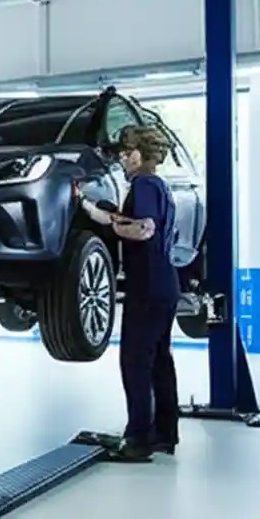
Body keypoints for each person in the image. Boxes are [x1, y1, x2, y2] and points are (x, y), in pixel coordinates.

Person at [80, 125, 180, 462]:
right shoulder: (159, 186)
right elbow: (130, 219)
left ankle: (138, 440)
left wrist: (113, 225)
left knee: (135, 361)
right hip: (164, 283)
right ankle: (165, 434)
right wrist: (93, 209)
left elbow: (143, 228)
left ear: (144, 153)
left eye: (128, 151)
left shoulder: (144, 183)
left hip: (148, 286)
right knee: (159, 361)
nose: (123, 158)